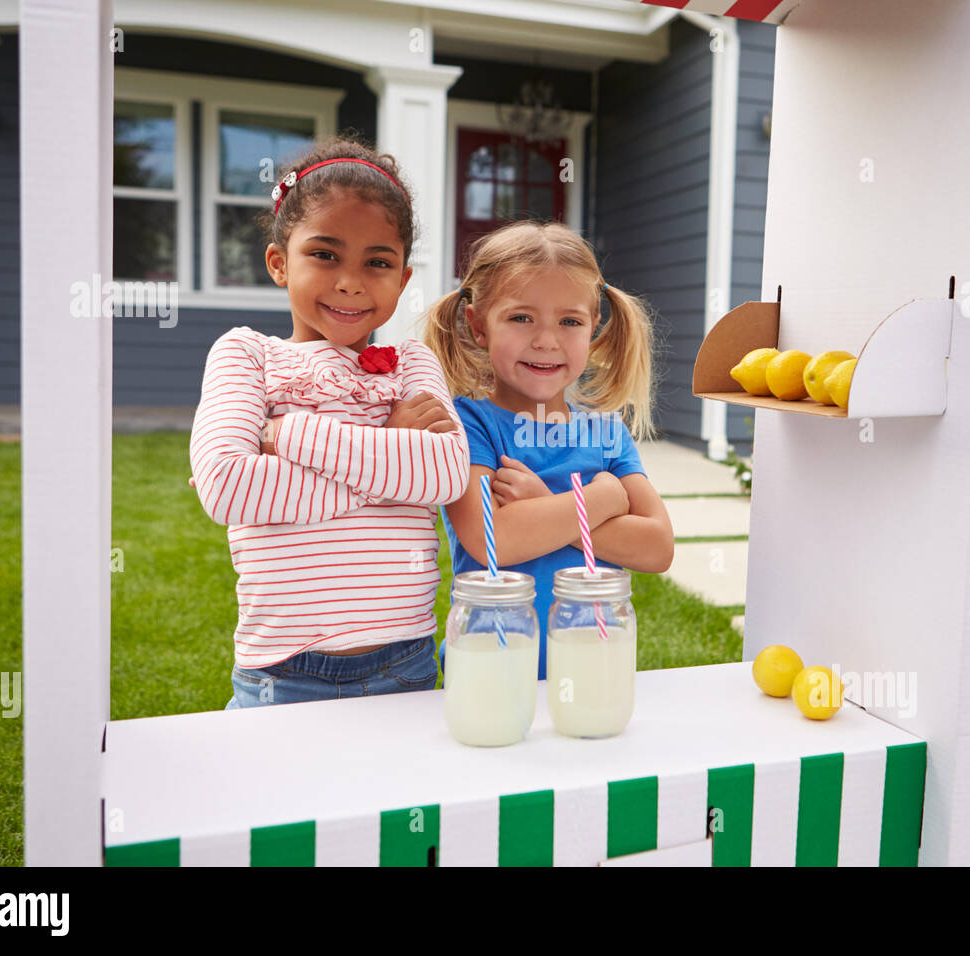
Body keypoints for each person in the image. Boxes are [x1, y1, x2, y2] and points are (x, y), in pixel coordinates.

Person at [188, 134, 470, 708]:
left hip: (406, 659)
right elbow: (226, 485)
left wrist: (289, 435)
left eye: (378, 262)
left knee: (401, 798)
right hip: (284, 668)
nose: (350, 281)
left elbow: (446, 474)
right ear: (278, 262)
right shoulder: (248, 356)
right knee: (278, 799)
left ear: (404, 279)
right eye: (324, 254)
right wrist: (391, 455)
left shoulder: (413, 363)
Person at [423, 220, 674, 680]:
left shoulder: (605, 431)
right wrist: (600, 502)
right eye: (521, 318)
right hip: (491, 668)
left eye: (570, 321)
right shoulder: (467, 423)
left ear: (594, 326)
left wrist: (543, 505)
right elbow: (491, 538)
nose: (546, 339)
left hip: (594, 665)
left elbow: (657, 547)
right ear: (478, 326)